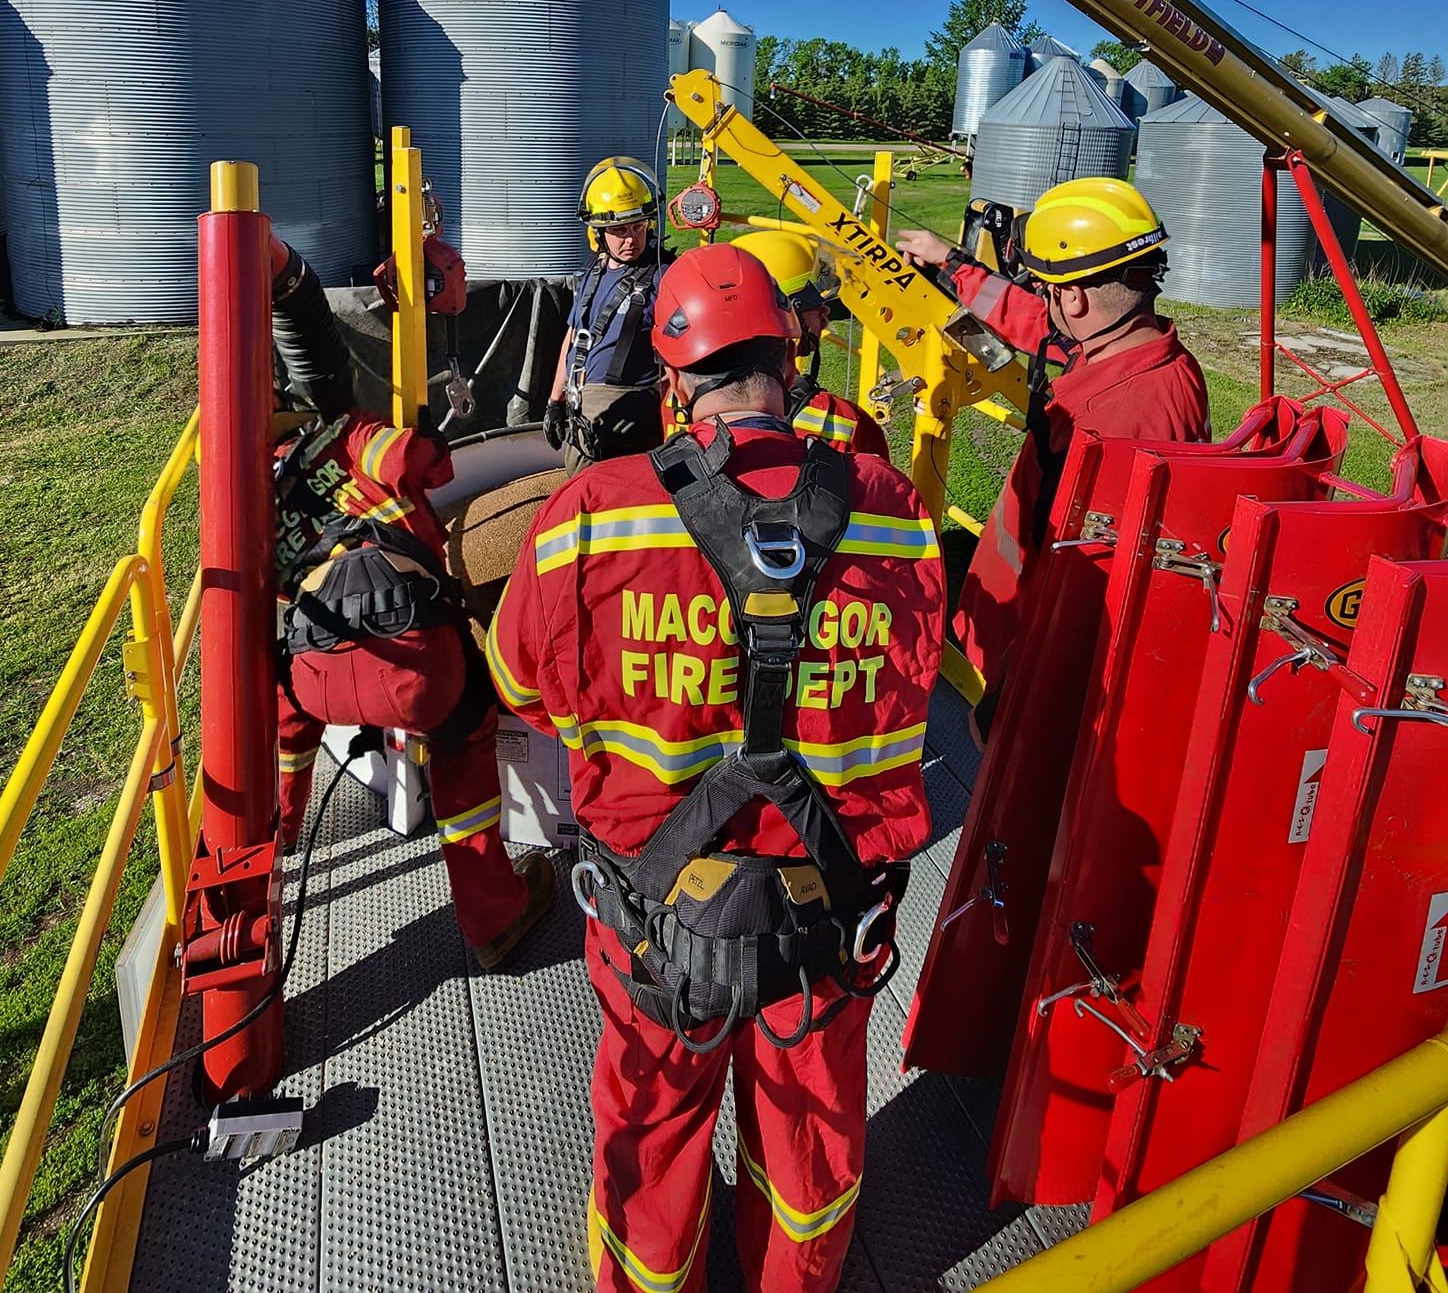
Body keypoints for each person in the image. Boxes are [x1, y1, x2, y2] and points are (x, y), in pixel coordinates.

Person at [490, 243, 947, 1293]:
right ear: (792, 361)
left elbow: (518, 679)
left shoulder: (592, 512)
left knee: (651, 1141)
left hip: (654, 923)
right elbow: (915, 681)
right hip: (828, 921)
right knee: (811, 1144)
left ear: (671, 381)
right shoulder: (897, 512)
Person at [269, 234, 554, 970]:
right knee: (466, 743)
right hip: (417, 661)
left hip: (316, 670)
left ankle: (274, 845)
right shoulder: (345, 436)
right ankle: (493, 916)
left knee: (282, 719)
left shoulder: (249, 496)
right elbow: (428, 462)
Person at [897, 177, 1208, 724]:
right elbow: (1030, 320)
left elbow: (1088, 585)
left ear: (1076, 295)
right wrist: (951, 263)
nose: (1041, 299)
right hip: (1006, 624)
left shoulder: (1111, 425)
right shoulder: (1143, 353)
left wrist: (1013, 694)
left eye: (1045, 287)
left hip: (1023, 654)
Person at [544, 157, 666, 471]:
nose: (631, 238)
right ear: (598, 232)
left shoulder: (664, 277)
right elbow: (573, 337)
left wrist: (655, 395)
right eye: (619, 229)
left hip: (630, 417)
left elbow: (685, 350)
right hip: (580, 413)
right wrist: (554, 402)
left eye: (639, 226)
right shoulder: (590, 274)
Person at [733, 226, 890, 460]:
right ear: (788, 312)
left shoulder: (676, 397)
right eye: (815, 305)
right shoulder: (840, 420)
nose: (825, 311)